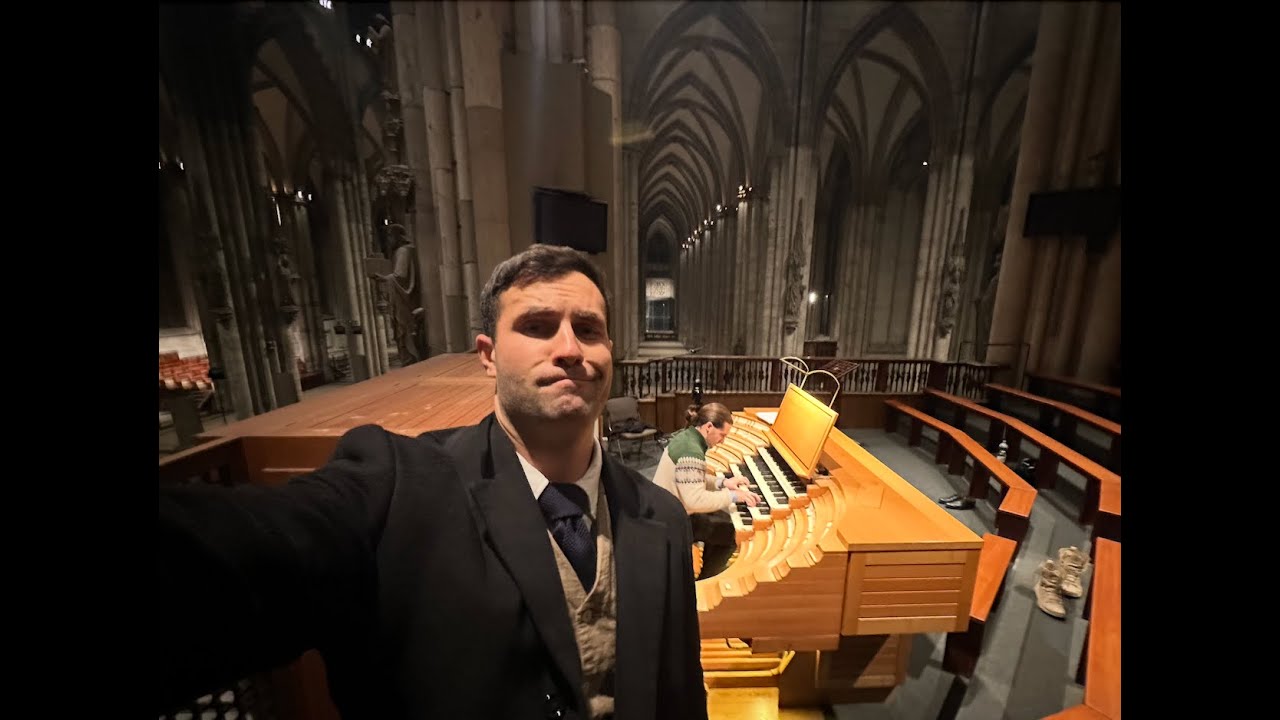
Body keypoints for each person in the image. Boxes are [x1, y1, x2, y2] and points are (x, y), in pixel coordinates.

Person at [158, 245, 707, 720]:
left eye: (588, 330)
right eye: (537, 326)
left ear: (610, 354)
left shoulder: (661, 516)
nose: (569, 347)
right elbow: (244, 554)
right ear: (488, 356)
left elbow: (681, 692)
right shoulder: (395, 487)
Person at [651, 403, 761, 580]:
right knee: (729, 533)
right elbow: (695, 501)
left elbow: (692, 478)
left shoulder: (688, 437)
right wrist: (733, 496)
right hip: (671, 521)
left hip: (666, 509)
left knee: (725, 520)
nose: (723, 441)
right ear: (709, 427)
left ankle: (706, 575)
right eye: (722, 435)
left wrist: (723, 482)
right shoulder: (691, 452)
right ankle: (707, 582)